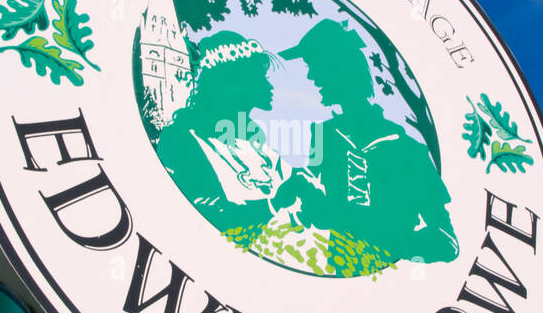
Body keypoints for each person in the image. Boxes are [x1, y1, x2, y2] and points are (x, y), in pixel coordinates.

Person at [276, 18, 458, 268]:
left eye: (316, 65)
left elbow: (446, 242)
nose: (311, 77)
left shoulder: (407, 149)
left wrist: (378, 239)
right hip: (332, 282)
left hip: (385, 287)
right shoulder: (323, 135)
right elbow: (317, 206)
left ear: (341, 68)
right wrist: (302, 195)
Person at [154, 30, 288, 236]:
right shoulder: (181, 139)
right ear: (234, 83)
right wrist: (274, 205)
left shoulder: (259, 143)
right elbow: (201, 216)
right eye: (259, 78)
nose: (269, 86)